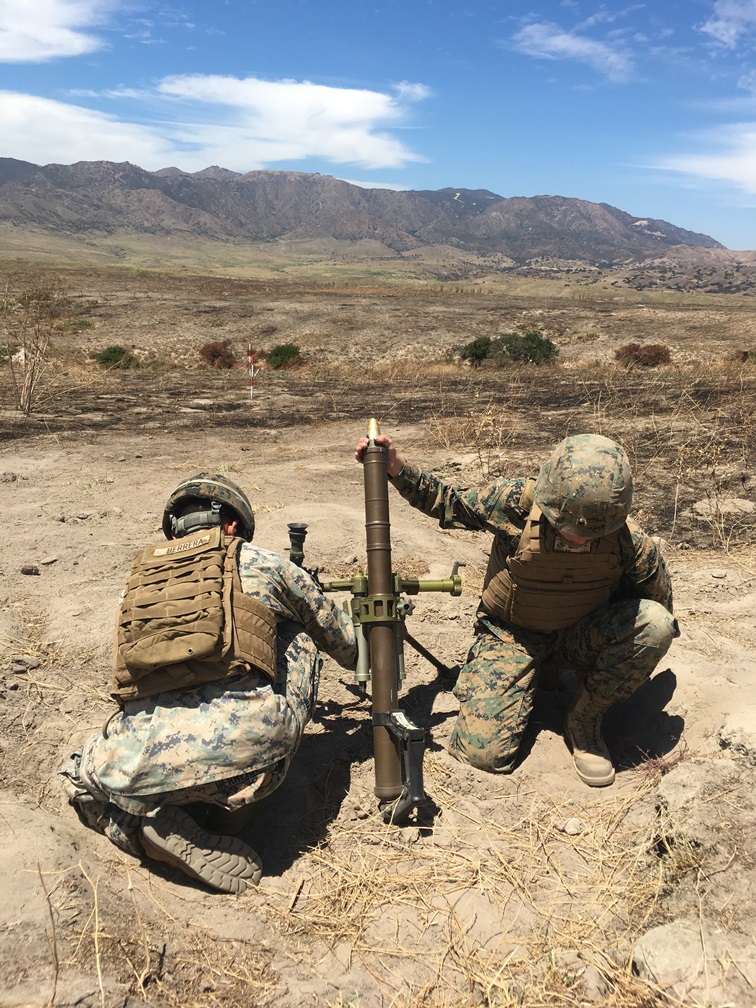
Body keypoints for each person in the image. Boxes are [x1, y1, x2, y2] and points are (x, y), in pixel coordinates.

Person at [62, 472, 357, 893]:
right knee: (301, 637)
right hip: (242, 760)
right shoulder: (263, 562)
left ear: (176, 524)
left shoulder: (140, 582)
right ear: (232, 524)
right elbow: (346, 648)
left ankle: (134, 824)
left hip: (137, 760)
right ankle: (229, 815)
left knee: (75, 779)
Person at [355, 432, 678, 787]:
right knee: (483, 755)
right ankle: (524, 676)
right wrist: (397, 468)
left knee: (657, 625)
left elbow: (655, 606)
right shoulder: (515, 504)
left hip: (580, 636)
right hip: (512, 635)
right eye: (568, 523)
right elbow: (449, 503)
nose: (580, 537)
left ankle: (584, 716)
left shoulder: (629, 540)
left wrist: (617, 673)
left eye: (593, 530)